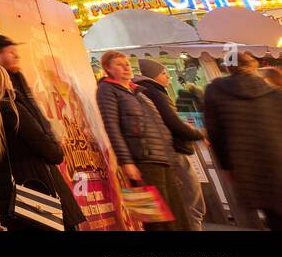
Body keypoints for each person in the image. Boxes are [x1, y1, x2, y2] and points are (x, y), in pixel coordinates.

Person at [0, 34, 85, 229]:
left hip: (33, 168)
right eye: (11, 52)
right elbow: (30, 130)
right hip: (30, 173)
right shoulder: (5, 102)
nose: (16, 56)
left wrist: (49, 137)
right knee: (50, 223)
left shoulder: (16, 80)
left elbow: (36, 118)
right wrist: (52, 148)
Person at [96, 50, 189, 230]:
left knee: (177, 216)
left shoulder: (139, 92)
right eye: (119, 65)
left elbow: (157, 126)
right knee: (155, 220)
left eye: (127, 64)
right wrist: (126, 162)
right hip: (142, 160)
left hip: (162, 159)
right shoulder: (106, 90)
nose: (125, 68)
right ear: (107, 68)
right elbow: (112, 127)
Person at [0, 62, 72, 230]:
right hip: (33, 186)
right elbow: (44, 146)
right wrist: (58, 148)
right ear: (3, 81)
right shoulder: (11, 109)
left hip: (7, 192)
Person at [203, 52, 282, 231]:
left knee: (271, 212)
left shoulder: (215, 91)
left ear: (228, 67)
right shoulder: (273, 91)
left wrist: (227, 167)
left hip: (247, 164)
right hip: (278, 157)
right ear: (253, 65)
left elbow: (215, 134)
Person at [134, 58, 206, 230]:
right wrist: (197, 133)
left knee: (172, 210)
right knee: (186, 204)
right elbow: (171, 122)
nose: (169, 77)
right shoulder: (148, 92)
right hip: (156, 156)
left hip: (156, 155)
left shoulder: (137, 92)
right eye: (164, 73)